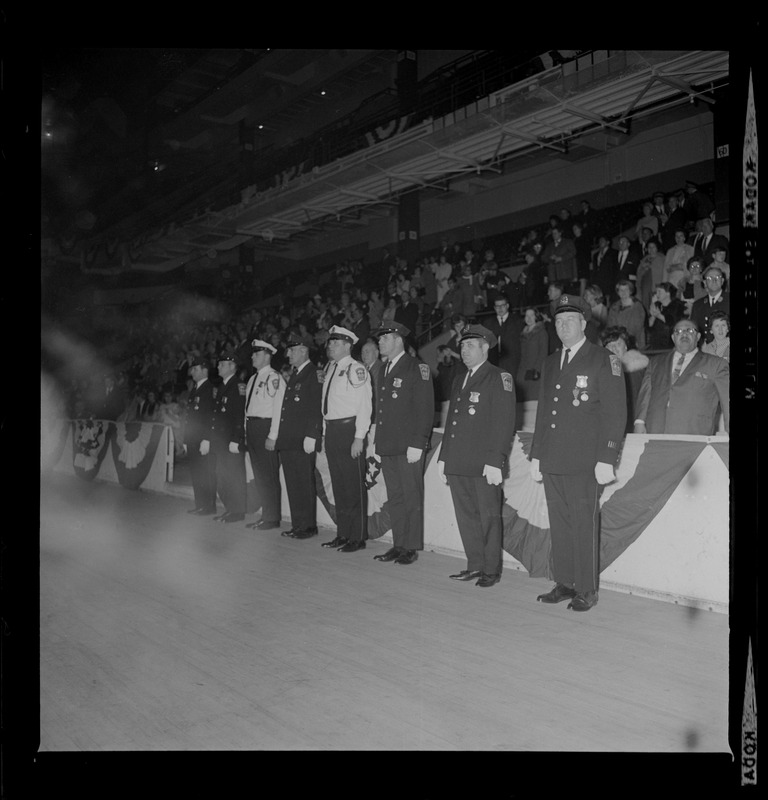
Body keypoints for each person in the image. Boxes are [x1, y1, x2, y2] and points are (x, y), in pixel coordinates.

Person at [529, 294, 627, 613]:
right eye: (558, 321)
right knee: (559, 523)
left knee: (584, 524)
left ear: (584, 324)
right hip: (554, 459)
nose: (563, 325)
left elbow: (615, 413)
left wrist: (607, 458)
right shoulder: (549, 362)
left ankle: (586, 588)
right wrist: (536, 455)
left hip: (586, 461)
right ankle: (566, 581)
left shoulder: (603, 358)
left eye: (570, 320)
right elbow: (545, 412)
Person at [437, 324, 516, 588]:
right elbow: (452, 422)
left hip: (484, 463)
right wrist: (443, 456)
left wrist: (496, 460)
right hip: (458, 460)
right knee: (466, 516)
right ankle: (475, 564)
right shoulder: (460, 378)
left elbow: (503, 423)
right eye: (462, 345)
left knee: (488, 517)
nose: (464, 350)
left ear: (485, 348)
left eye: (470, 345)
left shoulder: (499, 377)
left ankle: (491, 569)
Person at [370, 321, 434, 566]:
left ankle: (411, 547)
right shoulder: (384, 369)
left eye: (384, 338)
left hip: (409, 446)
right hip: (388, 444)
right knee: (395, 497)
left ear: (398, 340)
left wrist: (418, 442)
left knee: (411, 496)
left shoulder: (417, 368)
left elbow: (425, 409)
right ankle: (399, 544)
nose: (380, 342)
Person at [319, 325, 373, 552]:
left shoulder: (356, 369)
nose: (330, 346)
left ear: (348, 345)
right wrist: (324, 433)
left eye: (335, 343)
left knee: (353, 486)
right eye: (330, 343)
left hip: (349, 430)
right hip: (332, 431)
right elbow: (327, 405)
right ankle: (343, 533)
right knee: (339, 486)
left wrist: (359, 437)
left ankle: (357, 537)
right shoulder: (331, 368)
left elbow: (365, 405)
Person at [634, 318, 729, 435]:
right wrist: (639, 422)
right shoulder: (655, 362)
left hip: (694, 433)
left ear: (698, 337)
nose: (684, 334)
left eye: (689, 331)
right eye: (678, 331)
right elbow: (645, 395)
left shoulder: (716, 364)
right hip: (655, 431)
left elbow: (727, 401)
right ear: (673, 338)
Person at [274, 333, 324, 539]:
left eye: (292, 350)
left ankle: (308, 526)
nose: (288, 354)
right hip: (289, 439)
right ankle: (298, 524)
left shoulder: (314, 373)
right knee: (293, 483)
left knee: (303, 482)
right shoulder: (295, 374)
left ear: (304, 350)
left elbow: (316, 406)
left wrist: (312, 434)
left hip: (303, 439)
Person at [242, 339, 285, 531]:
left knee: (268, 475)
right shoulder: (252, 379)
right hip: (253, 427)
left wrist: (273, 434)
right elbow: (248, 408)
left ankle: (272, 517)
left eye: (256, 354)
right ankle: (265, 515)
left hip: (266, 427)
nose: (252, 356)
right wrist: (245, 429)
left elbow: (278, 409)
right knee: (259, 475)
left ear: (267, 356)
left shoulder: (274, 378)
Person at [209, 353, 247, 523]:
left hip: (230, 439)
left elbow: (239, 414)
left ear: (232, 366)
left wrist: (236, 438)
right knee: (223, 476)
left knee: (234, 476)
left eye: (222, 364)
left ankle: (237, 511)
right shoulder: (223, 385)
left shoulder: (238, 385)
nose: (218, 367)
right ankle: (230, 509)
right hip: (220, 440)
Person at [184, 357, 218, 516]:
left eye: (195, 369)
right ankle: (200, 504)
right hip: (192, 438)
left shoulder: (210, 389)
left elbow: (210, 416)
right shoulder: (195, 388)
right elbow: (190, 416)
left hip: (202, 439)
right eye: (192, 369)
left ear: (205, 370)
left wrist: (207, 438)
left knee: (206, 473)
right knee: (196, 473)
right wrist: (186, 438)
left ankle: (209, 506)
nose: (192, 372)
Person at [601, 326, 648, 434]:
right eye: (610, 345)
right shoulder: (601, 371)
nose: (614, 349)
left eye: (618, 344)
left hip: (630, 423)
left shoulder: (636, 369)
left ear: (626, 347)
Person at [486, 296, 523, 383]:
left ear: (507, 306)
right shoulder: (488, 323)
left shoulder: (517, 321)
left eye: (502, 305)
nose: (500, 308)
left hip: (512, 362)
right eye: (497, 306)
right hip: (494, 363)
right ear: (494, 308)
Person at [689, 265, 730, 345]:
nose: (714, 280)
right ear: (705, 283)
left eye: (717, 278)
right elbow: (694, 330)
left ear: (722, 281)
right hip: (705, 349)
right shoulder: (698, 305)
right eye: (710, 278)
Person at [516, 307, 548, 401]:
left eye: (531, 315)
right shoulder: (523, 333)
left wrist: (536, 370)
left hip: (534, 372)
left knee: (533, 399)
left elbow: (543, 353)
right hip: (523, 371)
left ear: (536, 317)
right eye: (527, 316)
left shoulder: (541, 332)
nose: (529, 318)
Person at [607, 279, 647, 350]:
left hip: (633, 343)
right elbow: (610, 326)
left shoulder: (637, 306)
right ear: (618, 292)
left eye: (626, 290)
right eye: (621, 290)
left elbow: (637, 328)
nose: (623, 292)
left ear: (630, 291)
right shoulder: (614, 307)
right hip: (616, 342)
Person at [646, 282, 686, 350]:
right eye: (656, 292)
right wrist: (653, 312)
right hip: (656, 341)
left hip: (670, 342)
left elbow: (672, 322)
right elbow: (649, 324)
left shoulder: (676, 305)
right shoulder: (657, 305)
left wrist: (658, 315)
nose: (657, 294)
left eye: (659, 291)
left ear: (668, 293)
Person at [636, 240, 665, 313]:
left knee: (656, 306)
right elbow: (639, 274)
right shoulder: (644, 259)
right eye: (649, 247)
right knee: (645, 305)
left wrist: (649, 266)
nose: (651, 249)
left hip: (656, 286)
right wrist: (644, 269)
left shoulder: (662, 258)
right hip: (644, 287)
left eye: (653, 247)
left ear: (657, 248)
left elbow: (663, 272)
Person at [590, 235, 618, 299]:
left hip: (608, 279)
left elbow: (614, 267)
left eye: (602, 241)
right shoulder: (596, 255)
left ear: (607, 242)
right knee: (598, 297)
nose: (600, 242)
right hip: (598, 279)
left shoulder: (614, 252)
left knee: (608, 297)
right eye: (599, 241)